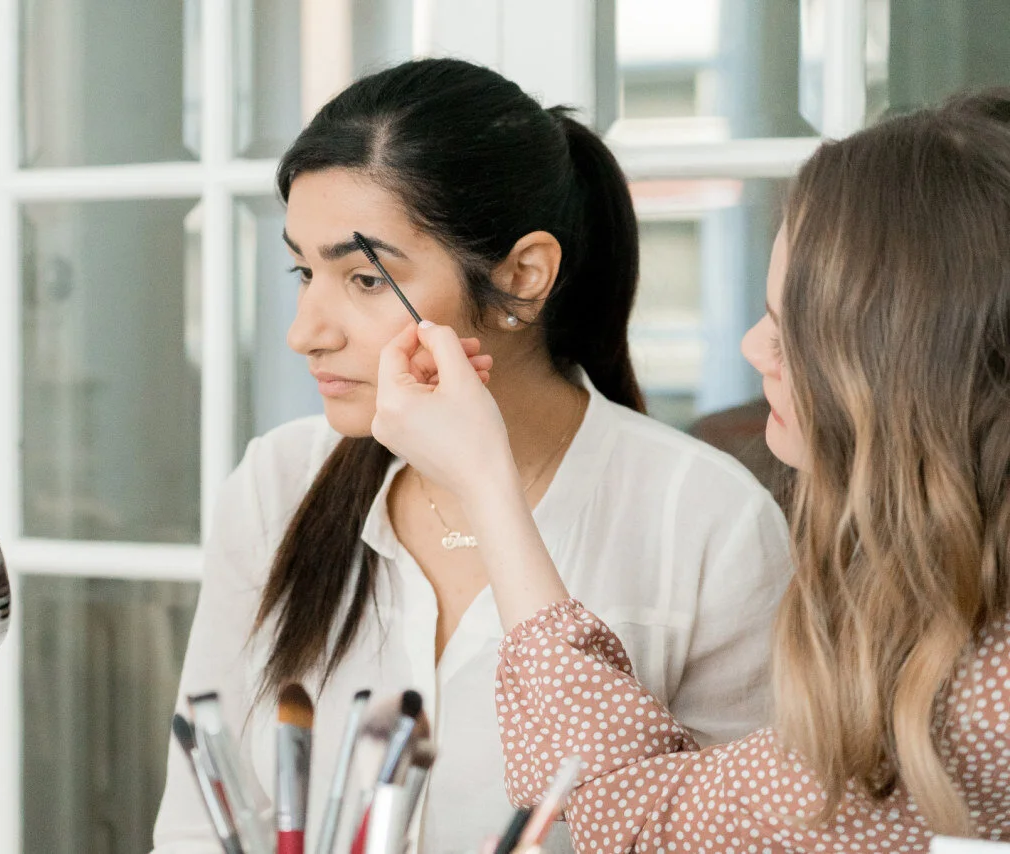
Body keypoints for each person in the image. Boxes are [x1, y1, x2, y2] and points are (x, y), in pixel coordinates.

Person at [153, 58, 791, 853]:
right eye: (303, 269)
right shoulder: (275, 485)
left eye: (363, 278)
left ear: (523, 277)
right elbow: (197, 824)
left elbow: (747, 839)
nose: (305, 330)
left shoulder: (707, 520)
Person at [371, 102, 1010, 850]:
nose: (753, 346)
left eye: (793, 324)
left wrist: (485, 483)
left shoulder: (971, 704)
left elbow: (624, 811)